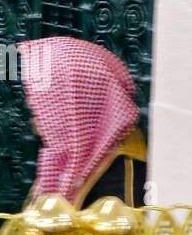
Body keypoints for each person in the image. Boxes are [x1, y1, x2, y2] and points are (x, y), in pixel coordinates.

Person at [17, 36, 146, 208]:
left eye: (47, 97)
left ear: (78, 103)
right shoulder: (66, 157)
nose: (31, 103)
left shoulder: (120, 171)